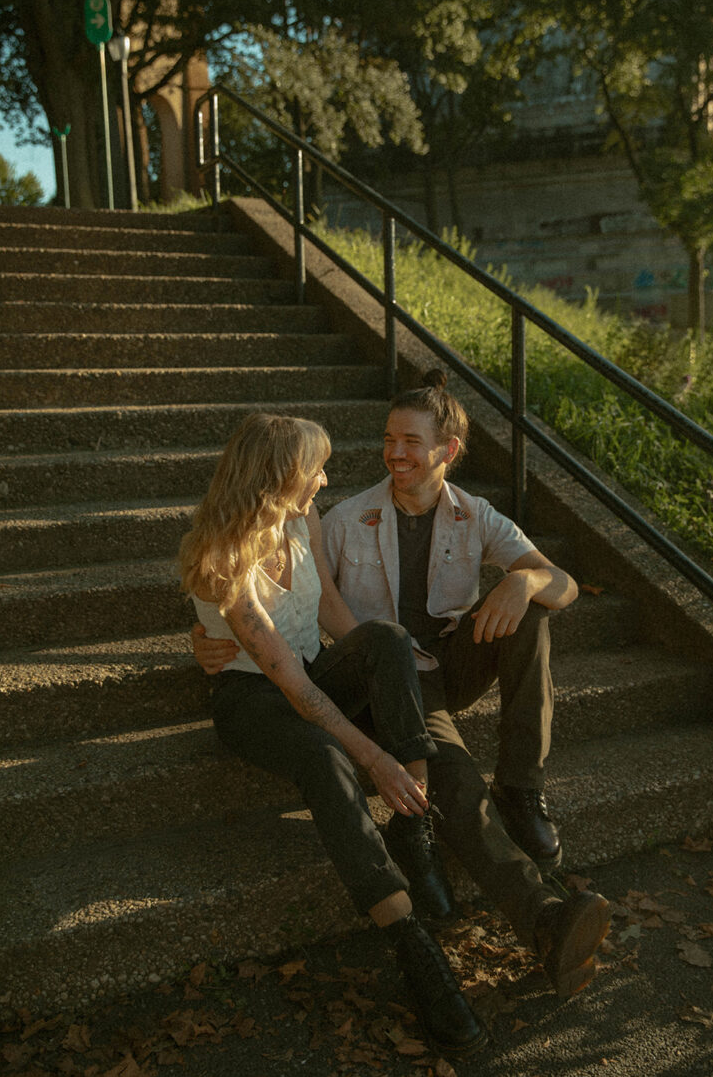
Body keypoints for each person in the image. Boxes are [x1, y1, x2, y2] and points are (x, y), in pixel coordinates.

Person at [192, 378, 611, 999]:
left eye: (410, 441)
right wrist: (207, 636)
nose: (394, 452)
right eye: (389, 438)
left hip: (441, 663)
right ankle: (544, 919)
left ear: (448, 450)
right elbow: (276, 610)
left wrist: (523, 583)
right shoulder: (341, 519)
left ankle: (521, 788)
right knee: (456, 780)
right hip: (384, 684)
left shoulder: (473, 513)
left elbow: (564, 583)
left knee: (533, 610)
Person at [179, 410, 486, 1058]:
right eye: (314, 470)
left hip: (311, 669)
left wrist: (384, 662)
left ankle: (414, 826)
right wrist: (376, 759)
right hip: (252, 699)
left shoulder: (301, 518)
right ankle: (413, 947)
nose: (323, 481)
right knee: (326, 757)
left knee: (387, 637)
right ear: (278, 476)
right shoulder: (220, 559)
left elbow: (326, 608)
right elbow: (293, 687)